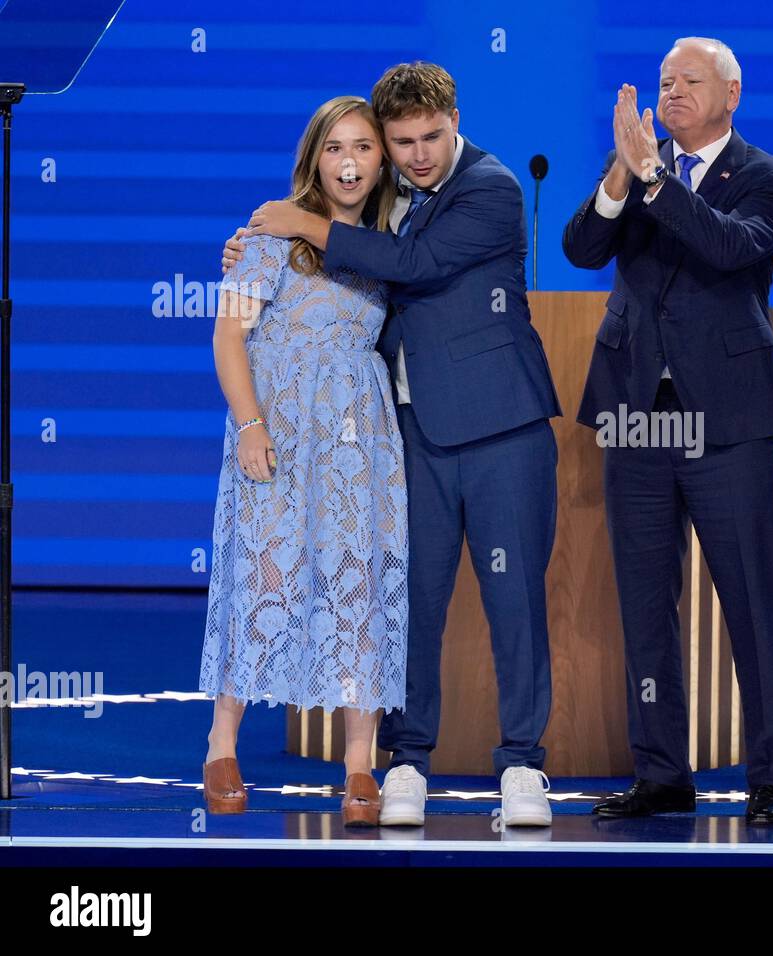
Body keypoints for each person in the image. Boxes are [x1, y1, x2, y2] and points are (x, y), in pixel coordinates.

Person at [230, 62, 562, 828]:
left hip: (501, 427)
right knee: (410, 601)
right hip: (408, 433)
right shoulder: (380, 203)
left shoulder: (492, 186)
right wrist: (260, 247)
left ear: (455, 120)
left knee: (514, 599)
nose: (416, 154)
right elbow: (341, 272)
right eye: (400, 142)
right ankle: (407, 758)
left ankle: (522, 765)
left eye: (430, 137)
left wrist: (300, 222)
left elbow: (416, 266)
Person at [562, 37, 773, 824]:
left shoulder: (769, 179)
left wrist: (655, 178)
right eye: (664, 82)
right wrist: (618, 179)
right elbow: (581, 248)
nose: (672, 92)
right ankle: (661, 771)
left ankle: (768, 775)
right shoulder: (632, 163)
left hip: (728, 419)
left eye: (689, 81)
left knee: (754, 603)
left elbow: (730, 248)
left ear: (732, 93)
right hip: (636, 416)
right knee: (643, 604)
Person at [200, 95, 406, 828]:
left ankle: (360, 765)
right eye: (335, 149)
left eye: (363, 149)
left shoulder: (390, 242)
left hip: (358, 441)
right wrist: (251, 425)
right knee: (265, 575)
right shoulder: (267, 237)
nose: (349, 164)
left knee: (358, 582)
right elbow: (230, 338)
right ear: (314, 157)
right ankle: (222, 744)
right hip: (277, 430)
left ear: (382, 161)